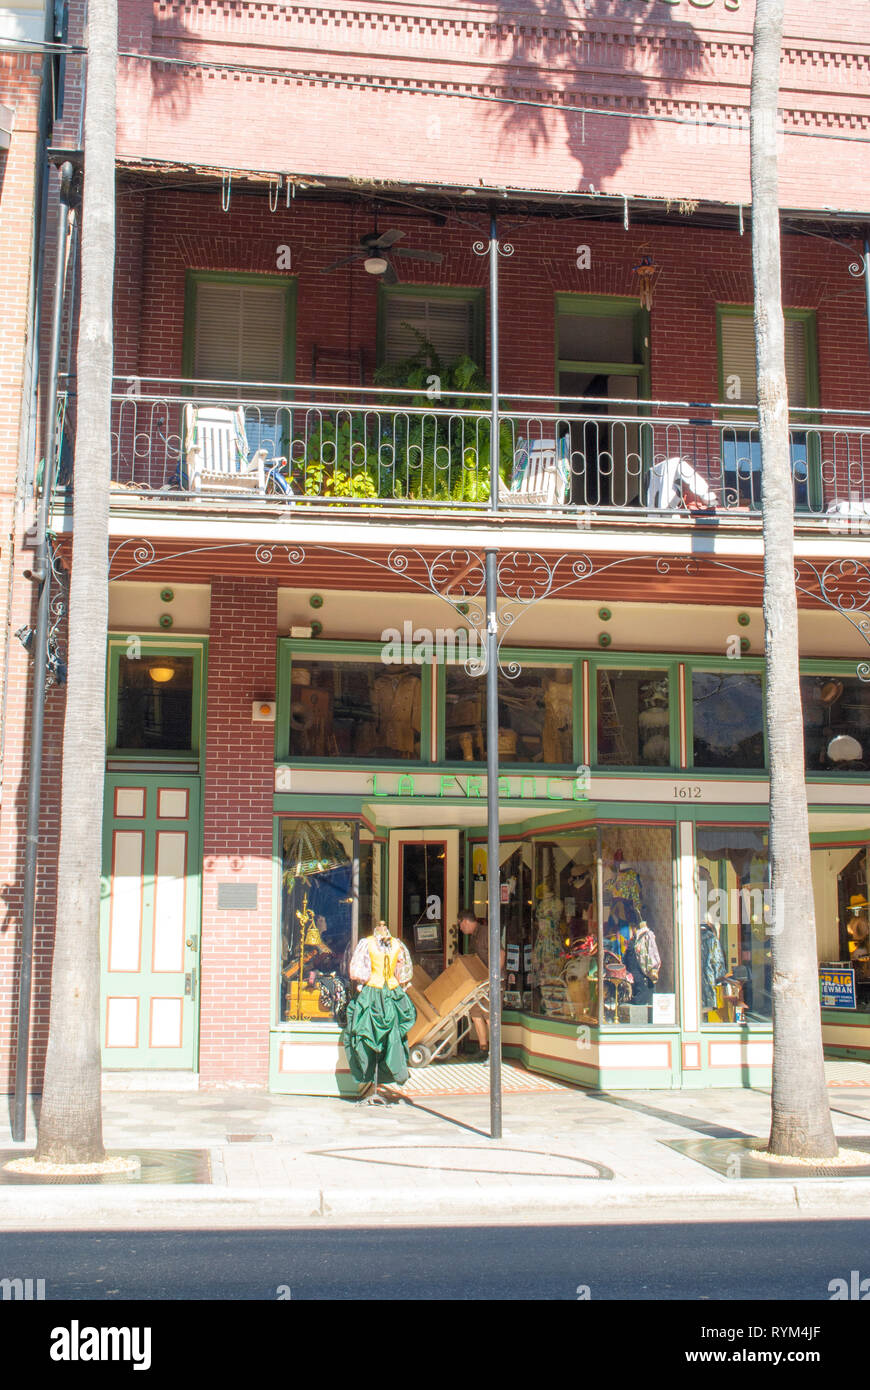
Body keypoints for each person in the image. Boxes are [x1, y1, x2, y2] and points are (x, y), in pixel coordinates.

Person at [343, 920, 416, 1105]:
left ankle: (386, 1076)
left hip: (390, 994)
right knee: (365, 1035)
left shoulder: (397, 944)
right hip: (372, 995)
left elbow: (403, 972)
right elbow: (357, 971)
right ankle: (369, 1078)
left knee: (390, 1039)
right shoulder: (367, 943)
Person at [458, 909, 505, 1061]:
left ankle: (494, 1053)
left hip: (492, 982)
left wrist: (494, 977)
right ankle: (483, 1048)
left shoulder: (485, 933)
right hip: (480, 984)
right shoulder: (474, 936)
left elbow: (501, 953)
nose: (460, 928)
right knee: (476, 1013)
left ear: (465, 921)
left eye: (460, 924)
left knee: (490, 1016)